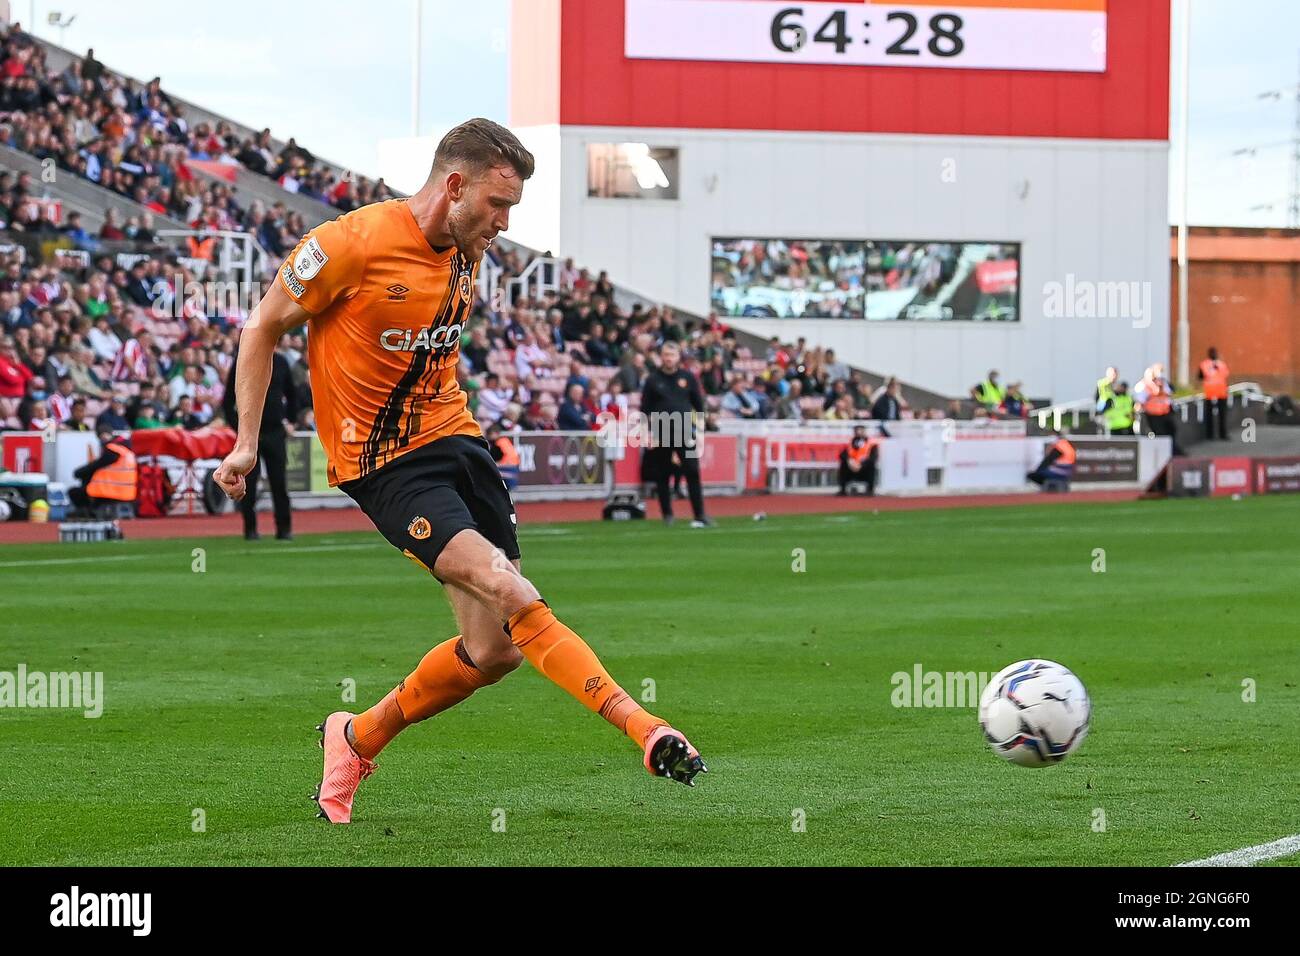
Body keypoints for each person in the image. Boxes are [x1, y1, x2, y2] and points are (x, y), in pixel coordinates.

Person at [213, 119, 705, 825]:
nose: (505, 224)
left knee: (494, 649)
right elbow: (261, 327)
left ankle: (354, 737)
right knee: (509, 588)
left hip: (460, 446)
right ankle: (644, 727)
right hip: (384, 464)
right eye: (497, 206)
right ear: (453, 186)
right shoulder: (347, 245)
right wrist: (246, 442)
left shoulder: (467, 249)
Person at [223, 335, 297, 541]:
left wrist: (290, 421)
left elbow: (293, 395)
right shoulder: (241, 363)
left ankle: (284, 528)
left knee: (279, 483)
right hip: (250, 436)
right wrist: (240, 428)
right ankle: (250, 529)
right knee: (248, 485)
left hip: (274, 432)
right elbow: (227, 400)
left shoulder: (280, 362)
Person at [639, 340, 712, 527]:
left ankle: (700, 514)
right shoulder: (653, 380)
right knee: (663, 474)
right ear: (661, 357)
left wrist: (701, 430)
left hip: (685, 430)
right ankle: (667, 514)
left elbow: (699, 405)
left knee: (692, 471)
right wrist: (646, 433)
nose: (669, 359)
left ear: (678, 357)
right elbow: (645, 408)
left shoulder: (688, 377)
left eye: (672, 355)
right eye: (665, 355)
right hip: (661, 430)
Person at [69, 427, 137, 514]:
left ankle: (87, 513)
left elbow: (96, 465)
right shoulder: (127, 451)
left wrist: (78, 473)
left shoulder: (112, 450)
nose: (103, 440)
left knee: (75, 492)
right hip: (128, 493)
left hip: (110, 493)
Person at [1138, 363, 1182, 456]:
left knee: (1171, 431)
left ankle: (1173, 451)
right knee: (1160, 435)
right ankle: (1163, 454)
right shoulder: (1144, 385)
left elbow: (1169, 393)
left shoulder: (1161, 382)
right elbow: (1140, 401)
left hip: (1165, 413)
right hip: (1153, 415)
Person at [1197, 347, 1230, 441]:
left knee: (1221, 415)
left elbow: (1225, 375)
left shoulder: (1220, 364)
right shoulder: (1206, 364)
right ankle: (1212, 435)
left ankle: (1220, 434)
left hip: (1219, 393)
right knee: (1212, 415)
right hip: (1212, 393)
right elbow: (1200, 376)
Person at [837, 425, 879, 496]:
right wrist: (849, 460)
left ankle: (870, 490)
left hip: (864, 469)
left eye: (861, 431)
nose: (859, 433)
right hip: (851, 469)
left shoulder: (871, 444)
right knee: (843, 464)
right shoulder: (850, 443)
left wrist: (861, 465)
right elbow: (842, 455)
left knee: (872, 465)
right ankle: (842, 490)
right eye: (857, 431)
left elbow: (873, 457)